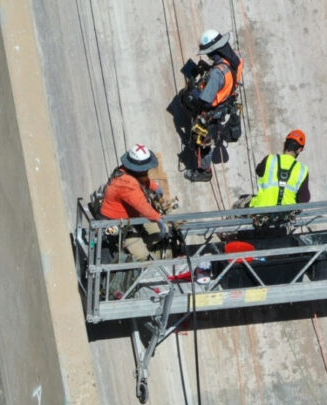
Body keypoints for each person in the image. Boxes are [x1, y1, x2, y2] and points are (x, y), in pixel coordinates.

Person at [170, 29, 243, 180]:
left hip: (213, 109)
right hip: (227, 99)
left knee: (202, 141)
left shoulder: (216, 74)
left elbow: (205, 100)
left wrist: (193, 88)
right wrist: (209, 68)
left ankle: (204, 172)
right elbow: (228, 73)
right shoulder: (237, 57)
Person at [100, 143, 173, 261]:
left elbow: (142, 180)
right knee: (141, 255)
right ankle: (130, 254)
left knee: (161, 232)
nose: (147, 171)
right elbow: (142, 205)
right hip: (119, 223)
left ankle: (145, 244)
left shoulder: (128, 172)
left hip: (133, 218)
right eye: (145, 169)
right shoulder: (126, 183)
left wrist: (155, 187)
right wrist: (158, 218)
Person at [250, 128, 311, 209]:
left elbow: (259, 171)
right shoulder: (302, 170)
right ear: (299, 150)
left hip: (262, 210)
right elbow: (304, 199)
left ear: (284, 144)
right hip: (287, 213)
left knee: (243, 202)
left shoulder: (270, 159)